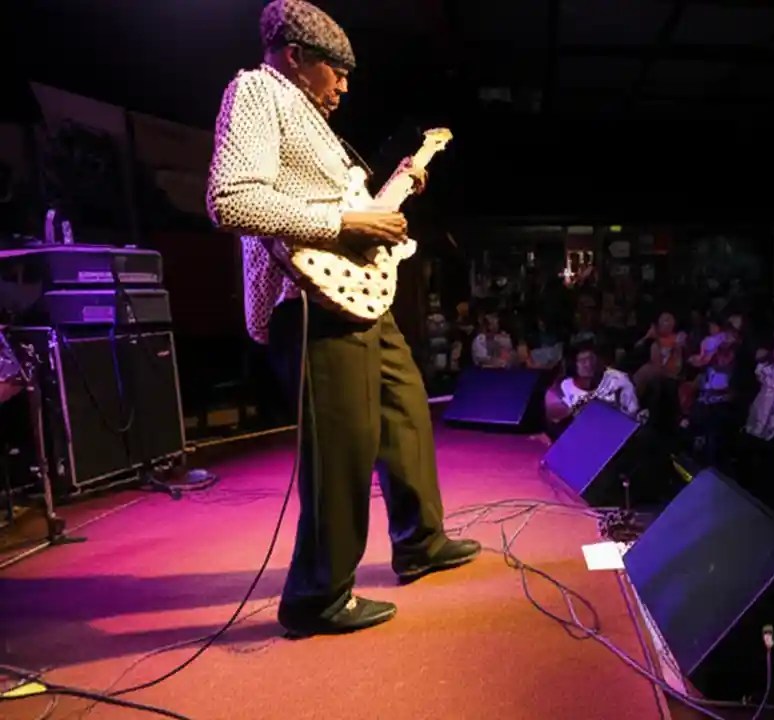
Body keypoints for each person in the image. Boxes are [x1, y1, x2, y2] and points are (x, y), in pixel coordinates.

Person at [206, 0, 478, 636]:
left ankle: (419, 542)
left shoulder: (316, 123)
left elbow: (351, 207)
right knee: (344, 446)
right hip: (306, 298)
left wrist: (394, 191)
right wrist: (345, 221)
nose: (346, 85)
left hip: (357, 294)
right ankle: (316, 597)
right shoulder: (256, 92)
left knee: (407, 412)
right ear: (296, 56)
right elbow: (230, 198)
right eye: (338, 70)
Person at [544, 341, 641, 437]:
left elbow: (633, 416)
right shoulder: (559, 391)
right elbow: (556, 425)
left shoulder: (619, 381)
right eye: (582, 361)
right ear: (572, 365)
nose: (588, 365)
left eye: (591, 359)